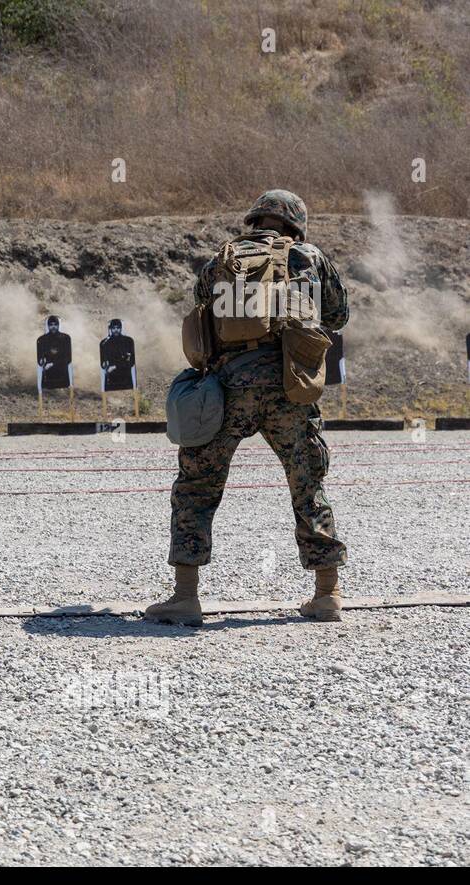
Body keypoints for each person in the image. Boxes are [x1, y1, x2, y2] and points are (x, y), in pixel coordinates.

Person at [147, 189, 349, 626]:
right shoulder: (310, 257)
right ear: (296, 223)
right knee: (307, 484)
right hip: (289, 387)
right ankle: (327, 593)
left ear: (255, 220)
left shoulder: (223, 258)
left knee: (197, 486)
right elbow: (337, 315)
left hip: (227, 385)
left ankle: (185, 597)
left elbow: (203, 306)